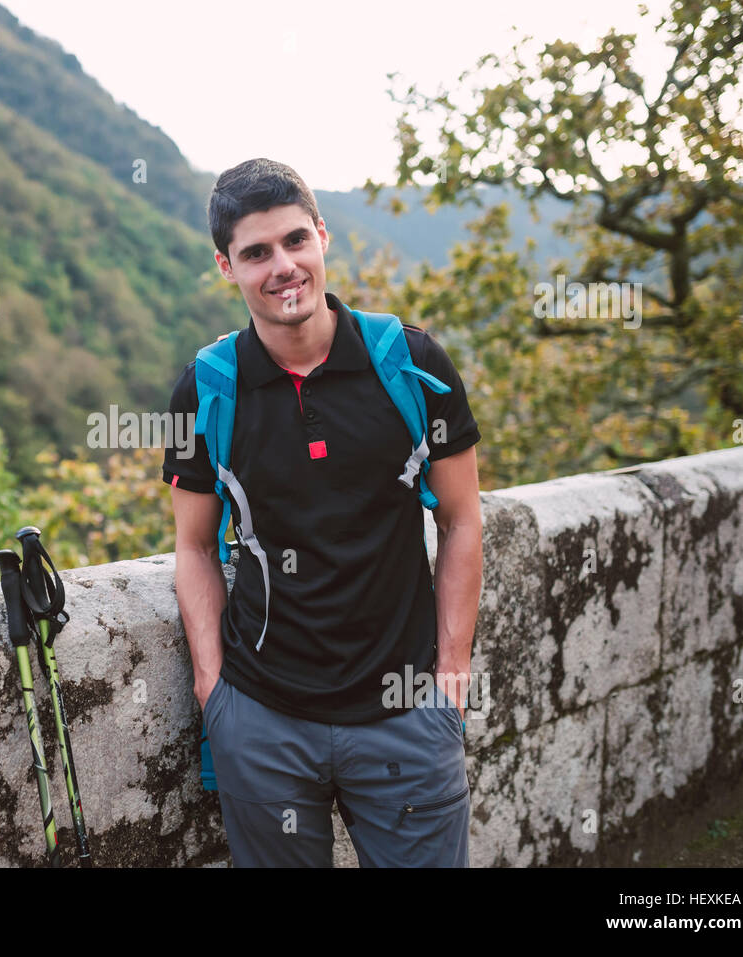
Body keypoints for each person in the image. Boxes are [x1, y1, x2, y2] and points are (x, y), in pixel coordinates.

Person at [162, 158, 483, 867]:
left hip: (405, 714)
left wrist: (451, 674)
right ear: (226, 266)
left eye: (295, 241)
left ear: (322, 237)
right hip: (264, 719)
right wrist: (215, 689)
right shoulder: (208, 388)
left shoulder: (413, 366)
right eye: (256, 252)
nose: (283, 266)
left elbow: (461, 519)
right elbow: (192, 547)